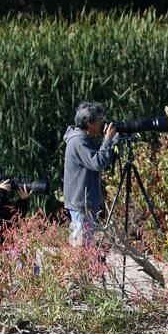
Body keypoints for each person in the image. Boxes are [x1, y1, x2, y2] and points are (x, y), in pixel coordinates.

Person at [62, 101, 119, 245]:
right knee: (82, 249)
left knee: (86, 248)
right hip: (82, 206)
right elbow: (98, 163)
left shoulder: (85, 139)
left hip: (86, 205)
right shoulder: (78, 142)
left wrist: (111, 143)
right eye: (100, 120)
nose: (103, 123)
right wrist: (107, 141)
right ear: (89, 123)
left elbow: (103, 160)